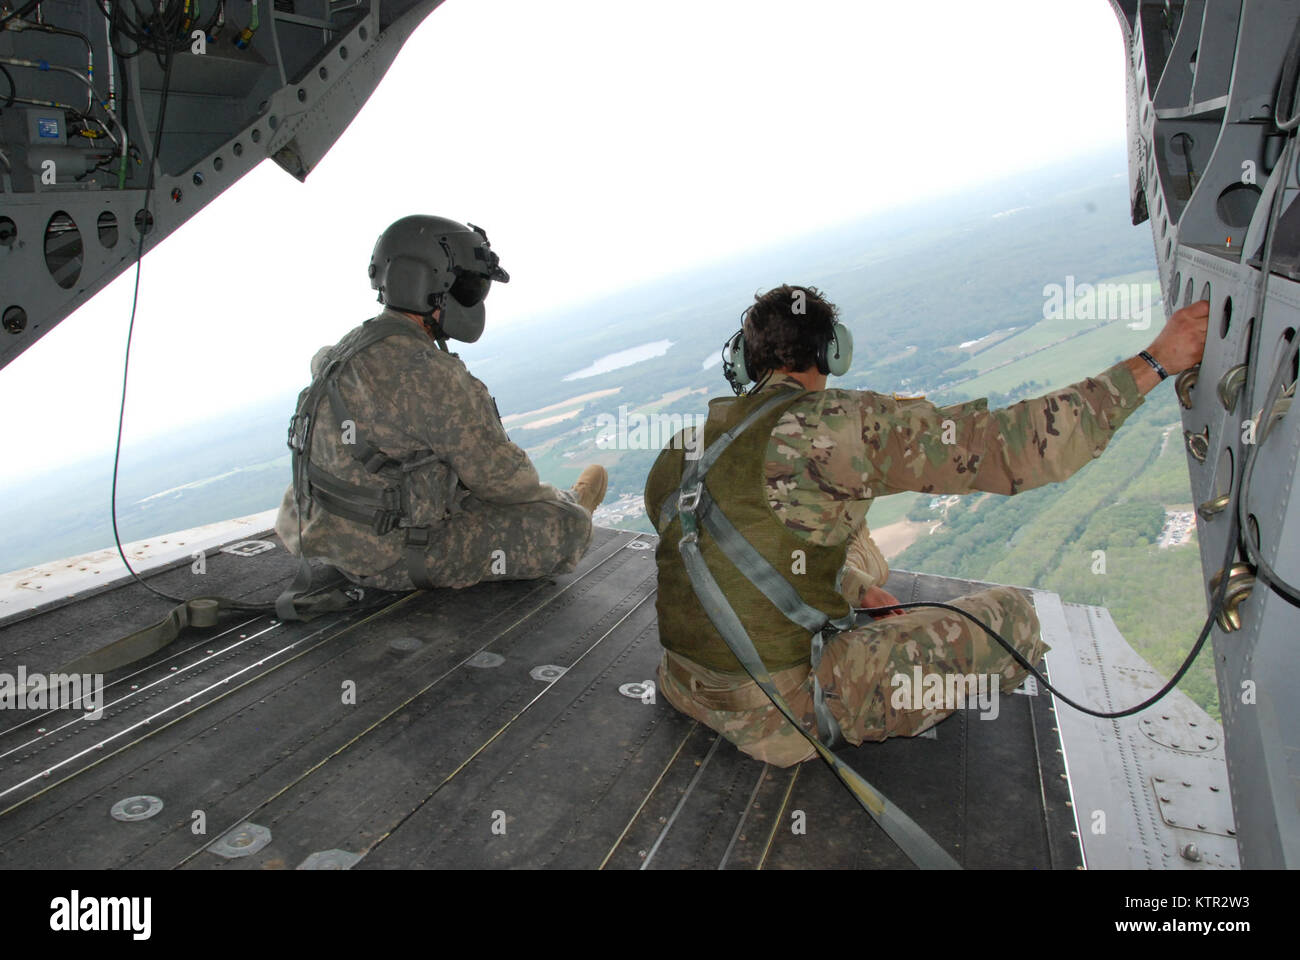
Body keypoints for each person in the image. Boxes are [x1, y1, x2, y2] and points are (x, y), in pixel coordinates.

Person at [644, 284, 1209, 766]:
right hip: (780, 715)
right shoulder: (838, 426)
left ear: (746, 361)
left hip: (684, 685)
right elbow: (1013, 445)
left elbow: (705, 549)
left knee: (855, 553)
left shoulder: (681, 448)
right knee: (1011, 617)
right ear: (830, 352)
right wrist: (1155, 362)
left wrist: (855, 589)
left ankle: (848, 591)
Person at [276, 215, 607, 594]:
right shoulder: (430, 374)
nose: (474, 298)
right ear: (425, 286)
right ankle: (576, 505)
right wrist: (559, 502)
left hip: (323, 535)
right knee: (565, 526)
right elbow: (504, 481)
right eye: (468, 287)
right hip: (389, 557)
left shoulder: (342, 351)